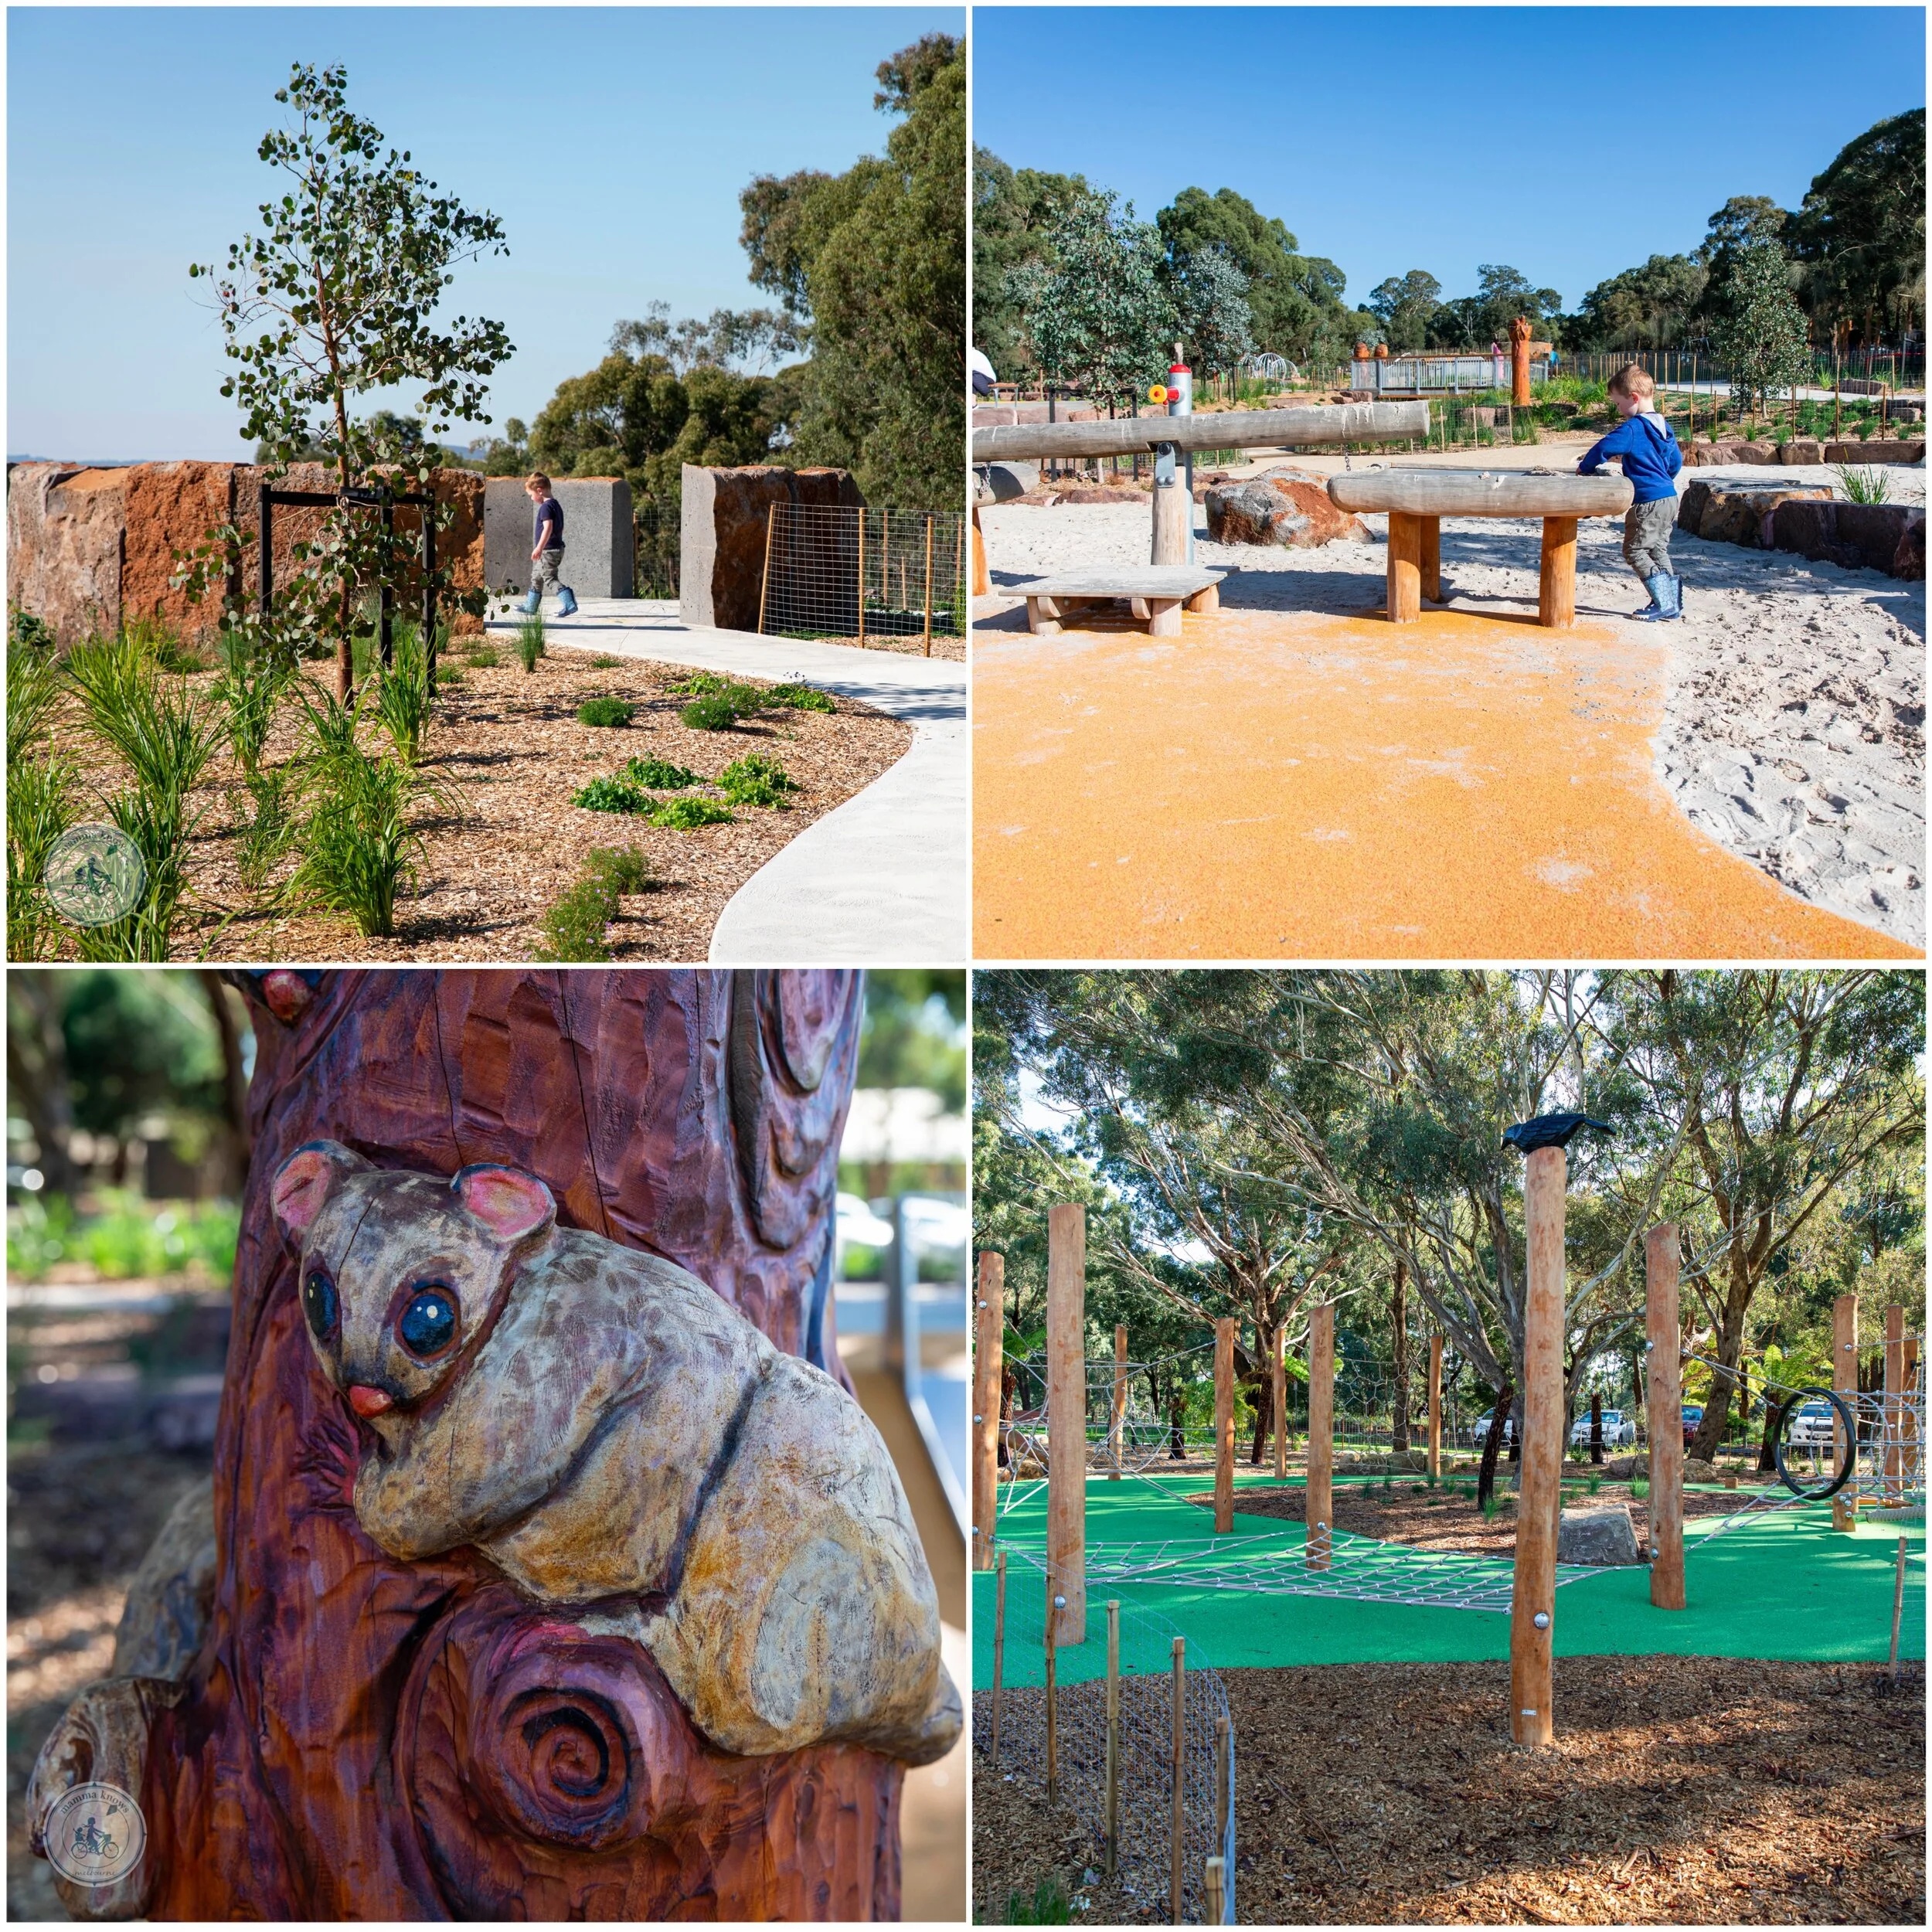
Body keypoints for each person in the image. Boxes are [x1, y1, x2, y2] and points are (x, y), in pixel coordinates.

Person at [1577, 363, 1684, 621]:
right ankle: (1672, 603)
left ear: (1634, 398)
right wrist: (1663, 481)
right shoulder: (1664, 427)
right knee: (1658, 550)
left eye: (1617, 403)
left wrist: (1585, 467)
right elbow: (1676, 463)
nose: (1617, 409)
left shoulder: (1634, 428)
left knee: (1634, 550)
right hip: (1669, 497)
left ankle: (1662, 603)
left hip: (1648, 501)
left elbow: (1605, 446)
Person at [520, 474, 577, 617]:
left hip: (548, 550)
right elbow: (560, 528)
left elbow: (548, 527)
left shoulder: (545, 507)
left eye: (531, 495)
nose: (531, 498)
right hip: (556, 548)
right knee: (537, 577)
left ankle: (569, 603)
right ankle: (530, 606)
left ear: (539, 490)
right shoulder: (556, 505)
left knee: (549, 578)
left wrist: (539, 547)